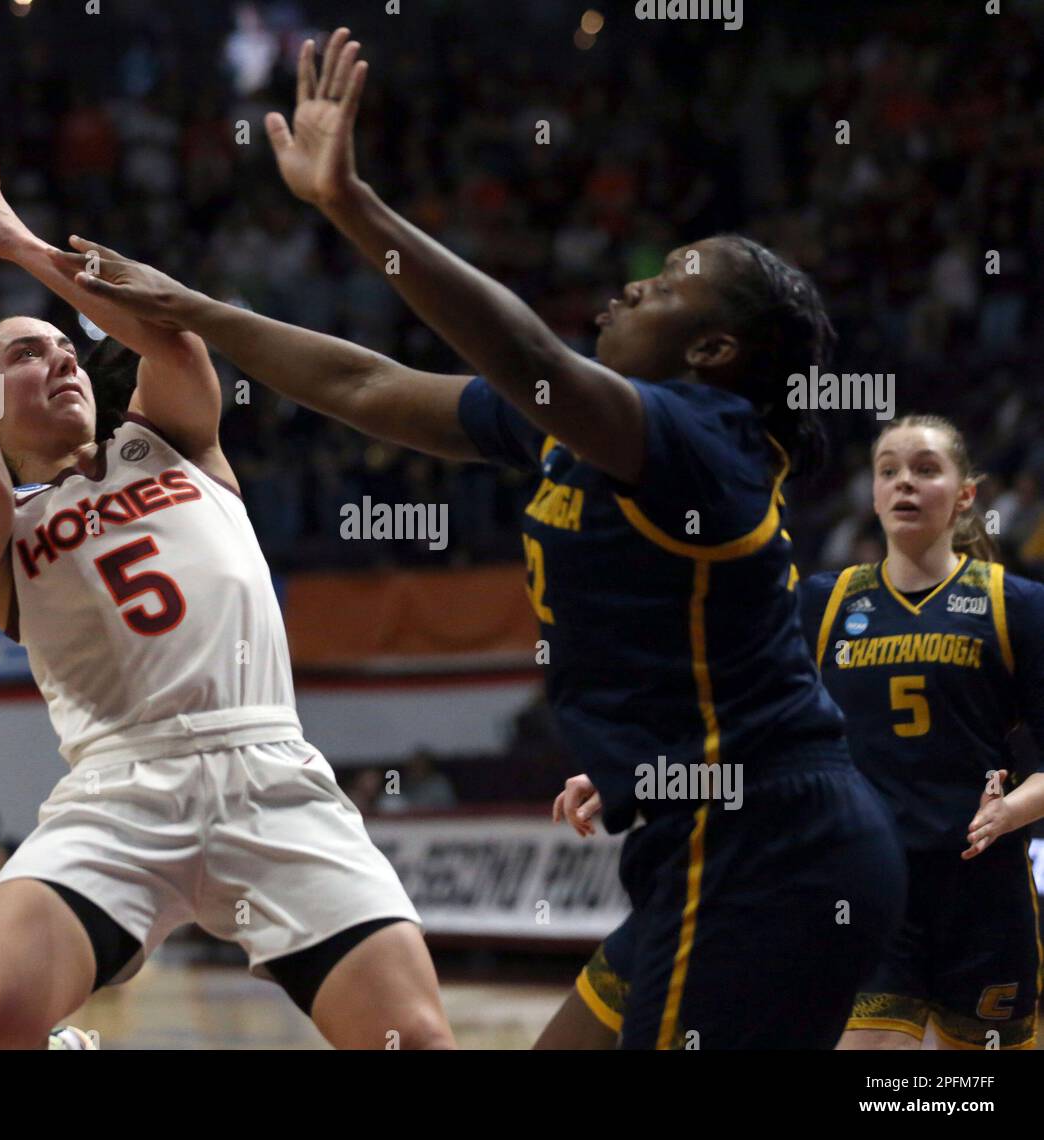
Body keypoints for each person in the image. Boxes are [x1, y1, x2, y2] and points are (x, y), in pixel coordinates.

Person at [60, 30, 904, 1048]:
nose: (631, 285)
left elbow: (523, 349)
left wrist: (350, 204)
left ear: (712, 350)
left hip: (771, 850)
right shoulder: (582, 429)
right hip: (715, 844)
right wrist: (194, 310)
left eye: (668, 284)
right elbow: (365, 385)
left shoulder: (699, 439)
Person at [0, 148, 454, 1050]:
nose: (63, 360)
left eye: (68, 348)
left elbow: (174, 335)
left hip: (271, 771)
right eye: (27, 354)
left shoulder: (172, 444)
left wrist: (21, 244)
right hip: (119, 789)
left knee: (415, 1044)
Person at [801, 416, 1044, 1050]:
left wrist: (1015, 807)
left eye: (926, 469)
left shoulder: (1014, 605)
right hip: (874, 888)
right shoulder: (823, 604)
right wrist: (628, 775)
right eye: (889, 471)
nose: (904, 483)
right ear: (873, 494)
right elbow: (744, 714)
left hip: (985, 894)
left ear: (966, 494)